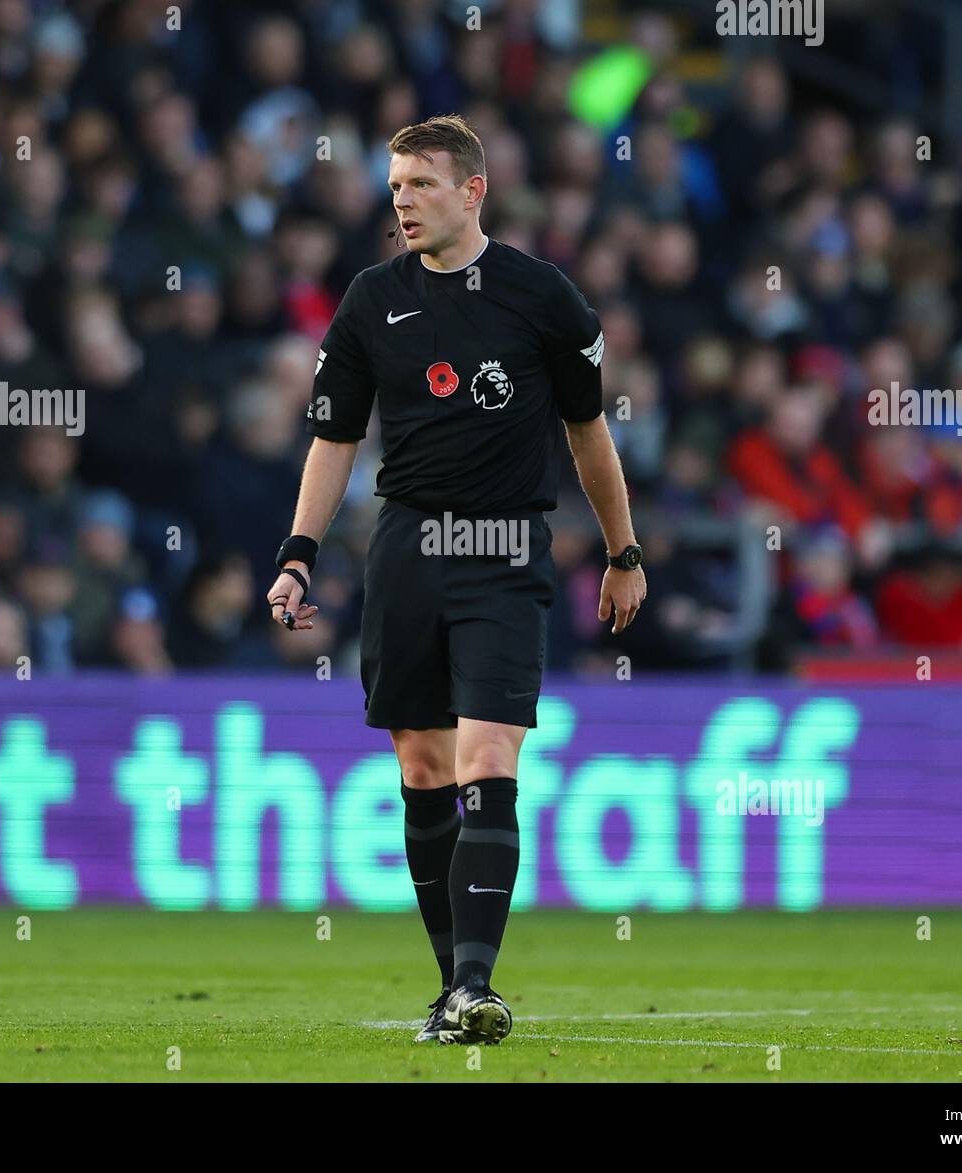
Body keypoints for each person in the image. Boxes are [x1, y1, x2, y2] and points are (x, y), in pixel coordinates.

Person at [265, 115, 646, 1045]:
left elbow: (588, 433)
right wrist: (298, 552)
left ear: (473, 191)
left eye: (421, 184)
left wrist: (623, 551)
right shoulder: (371, 299)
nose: (403, 201)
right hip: (407, 550)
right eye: (395, 185)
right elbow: (334, 439)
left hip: (507, 550)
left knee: (488, 758)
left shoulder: (542, 296)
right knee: (424, 768)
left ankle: (476, 981)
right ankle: (454, 989)